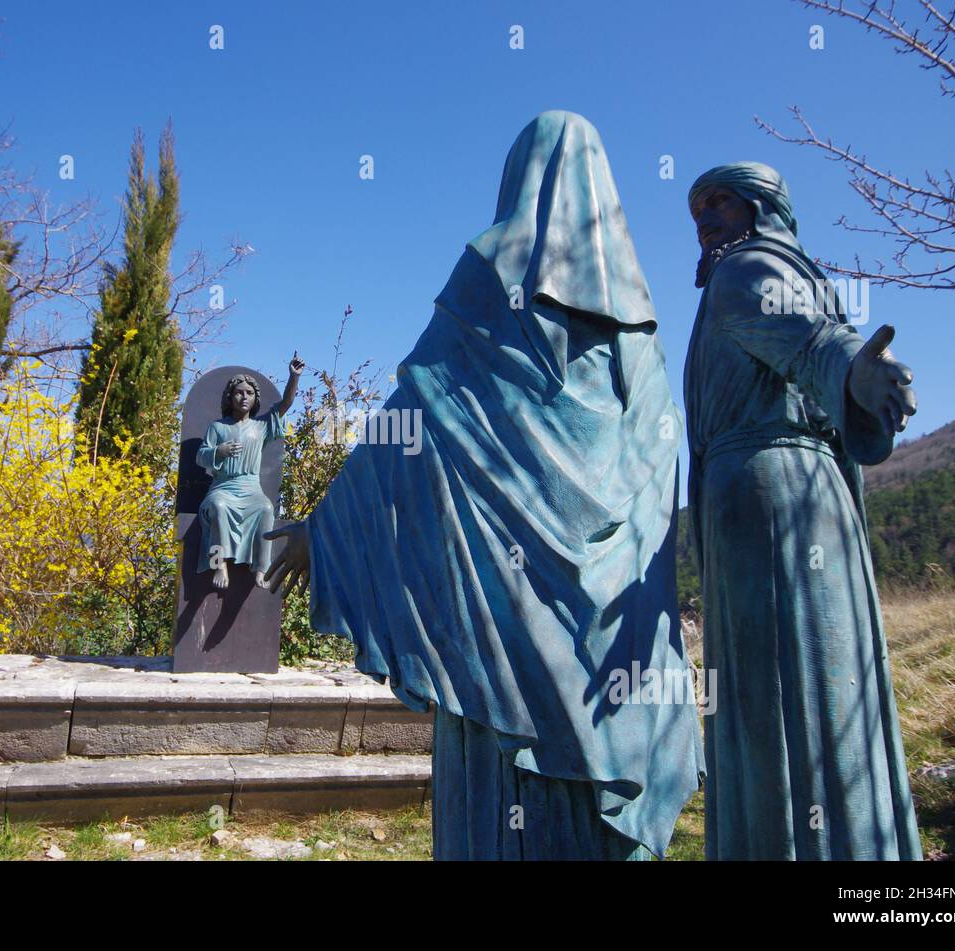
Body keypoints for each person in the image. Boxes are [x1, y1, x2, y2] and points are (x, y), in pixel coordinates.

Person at [264, 112, 703, 860]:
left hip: (497, 654)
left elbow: (416, 422)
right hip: (611, 666)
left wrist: (326, 532)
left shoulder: (488, 290)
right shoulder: (645, 347)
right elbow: (658, 493)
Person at [685, 161, 921, 859]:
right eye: (697, 205)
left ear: (762, 209)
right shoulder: (763, 275)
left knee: (787, 694)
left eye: (721, 200)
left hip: (775, 501)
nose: (704, 215)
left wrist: (857, 369)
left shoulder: (746, 271)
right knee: (798, 690)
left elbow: (812, 342)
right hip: (778, 499)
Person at [196, 354, 303, 590]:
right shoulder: (218, 427)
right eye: (238, 392)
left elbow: (285, 404)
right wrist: (219, 451)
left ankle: (261, 569)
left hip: (251, 488)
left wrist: (293, 378)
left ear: (255, 399)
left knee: (266, 509)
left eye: (249, 393)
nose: (244, 397)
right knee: (218, 508)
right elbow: (200, 455)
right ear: (230, 397)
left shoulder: (261, 426)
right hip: (223, 488)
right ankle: (219, 563)